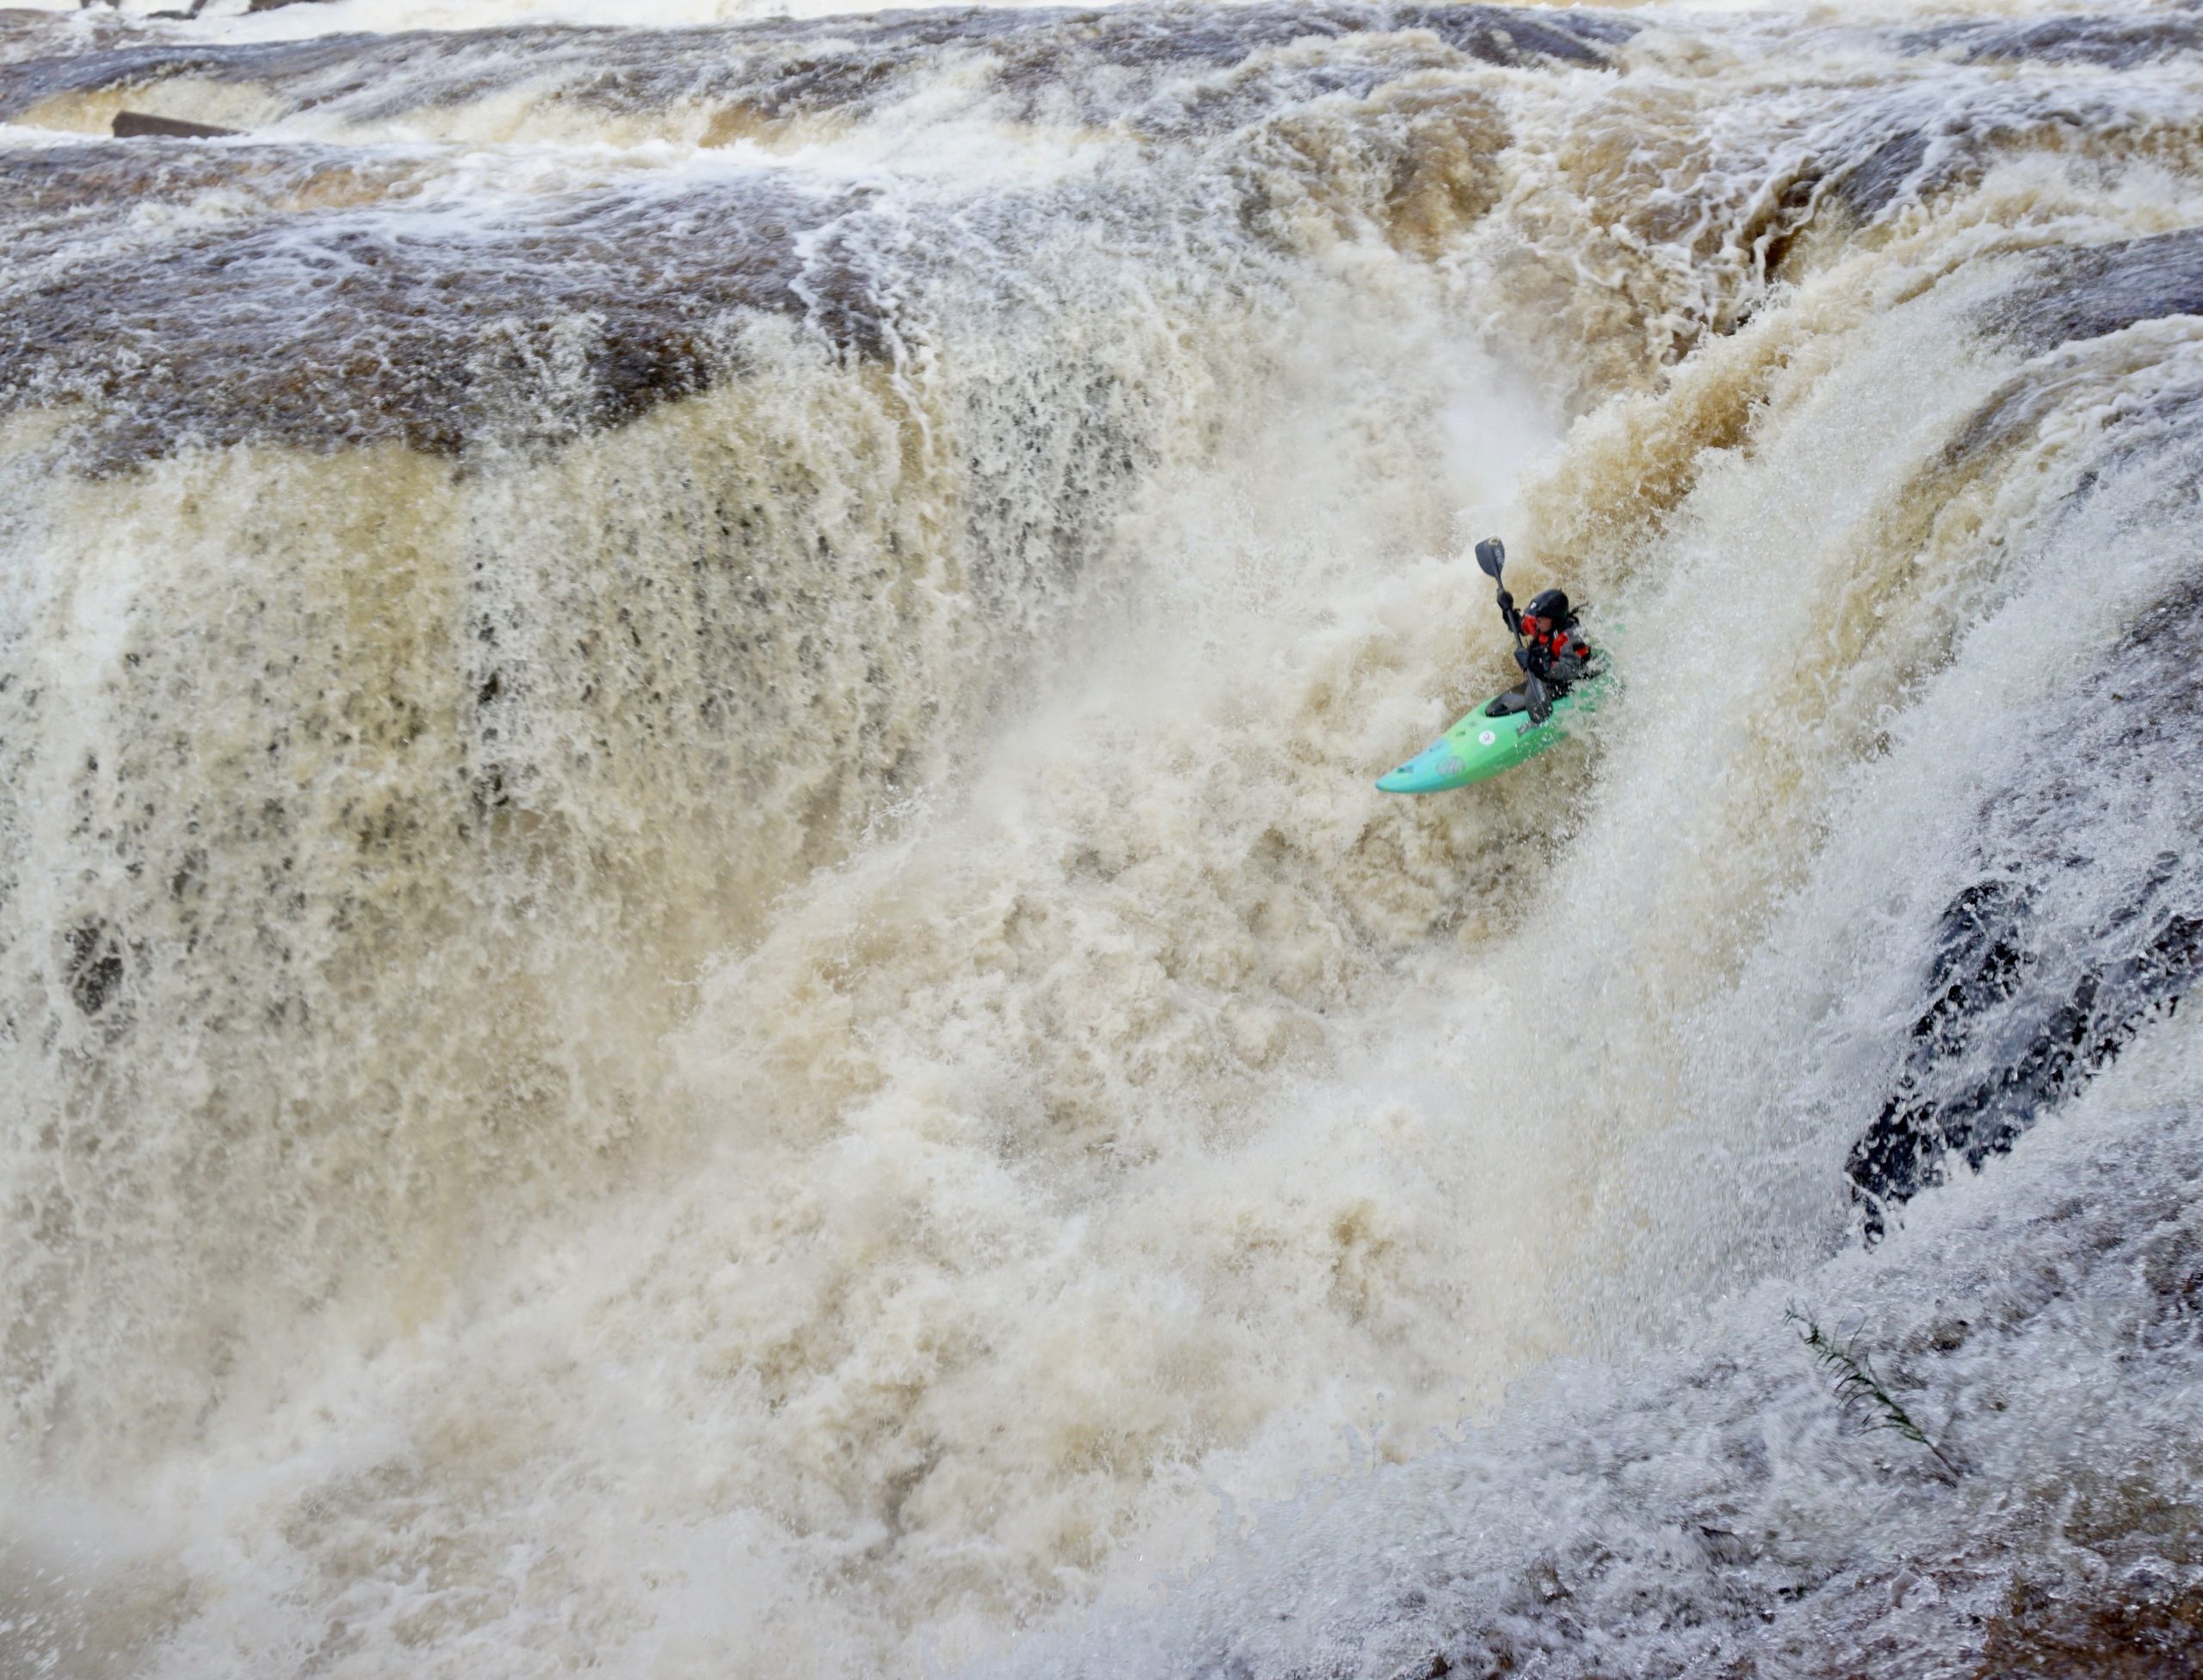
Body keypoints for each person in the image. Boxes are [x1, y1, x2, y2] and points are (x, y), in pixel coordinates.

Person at [1491, 584, 1595, 720]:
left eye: (1540, 619)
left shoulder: (1573, 637)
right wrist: (1507, 610)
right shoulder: (1541, 623)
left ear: (1554, 619)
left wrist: (1534, 662)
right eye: (1536, 619)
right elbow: (1518, 627)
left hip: (1571, 682)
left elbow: (1570, 672)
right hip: (1546, 675)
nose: (1536, 622)